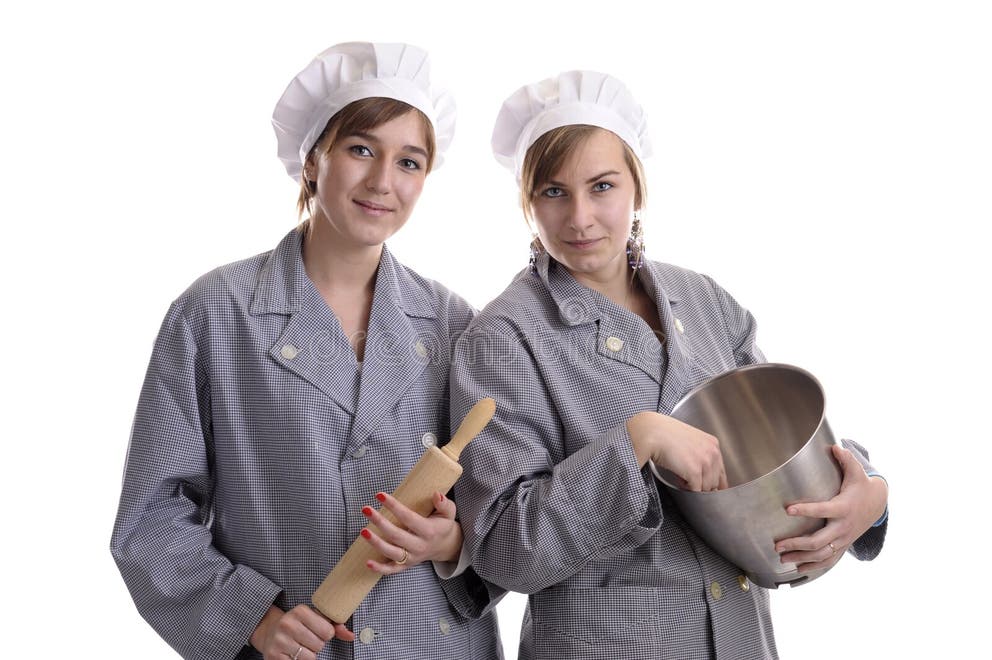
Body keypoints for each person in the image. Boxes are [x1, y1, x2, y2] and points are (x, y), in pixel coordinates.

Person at [450, 70, 889, 659]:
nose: (579, 217)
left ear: (637, 186)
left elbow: (777, 450)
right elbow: (506, 548)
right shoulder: (505, 337)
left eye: (601, 186)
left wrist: (869, 494)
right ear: (527, 202)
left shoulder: (704, 302)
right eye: (553, 192)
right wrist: (634, 443)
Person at [111, 42, 501, 660]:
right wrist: (255, 621)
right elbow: (151, 515)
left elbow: (504, 513)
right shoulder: (216, 312)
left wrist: (452, 541)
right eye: (361, 149)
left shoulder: (456, 326)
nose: (382, 182)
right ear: (313, 160)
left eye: (410, 162)